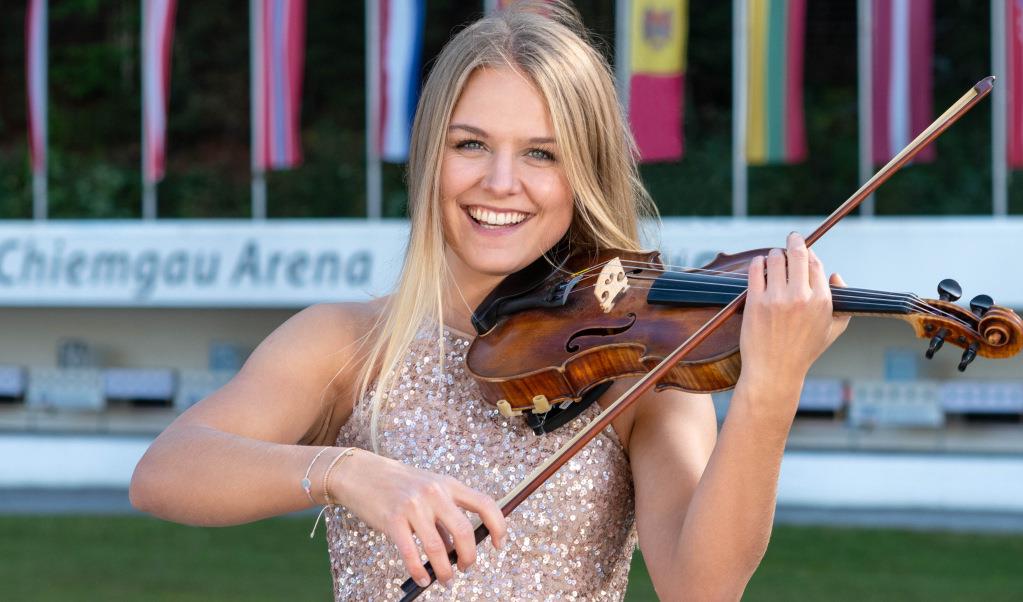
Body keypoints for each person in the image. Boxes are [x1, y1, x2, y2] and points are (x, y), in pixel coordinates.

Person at [129, 3, 849, 600]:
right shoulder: (347, 341)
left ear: (583, 175)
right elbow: (166, 471)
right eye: (471, 144)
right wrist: (346, 473)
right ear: (428, 156)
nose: (501, 182)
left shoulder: (637, 361)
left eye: (542, 153)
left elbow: (702, 588)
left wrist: (770, 388)